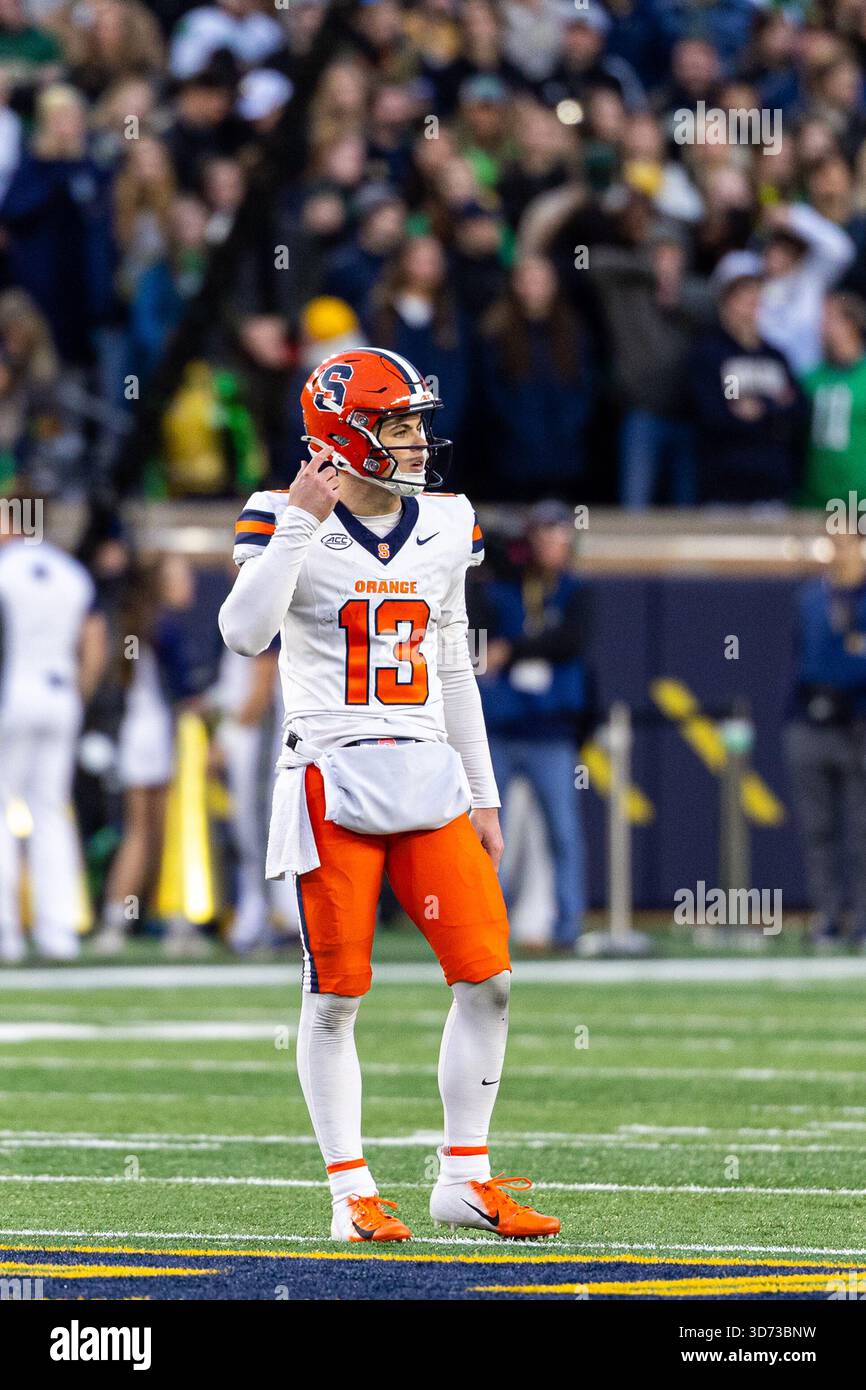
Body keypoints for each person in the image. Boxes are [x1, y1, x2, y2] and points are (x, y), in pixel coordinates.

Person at [219, 346, 559, 1242]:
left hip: (429, 778)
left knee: (487, 980)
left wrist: (481, 790)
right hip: (332, 779)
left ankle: (465, 1176)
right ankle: (349, 1192)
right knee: (335, 997)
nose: (417, 439)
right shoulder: (280, 514)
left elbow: (452, 664)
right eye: (398, 422)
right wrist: (298, 522)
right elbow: (243, 635)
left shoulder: (448, 521)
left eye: (415, 420)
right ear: (345, 432)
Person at [476, 499, 590, 949]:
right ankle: (482, 926)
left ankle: (568, 926)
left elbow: (569, 641)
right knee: (487, 834)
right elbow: (481, 642)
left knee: (563, 832)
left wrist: (516, 650)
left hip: (549, 729)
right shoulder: (502, 588)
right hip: (502, 727)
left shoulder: (576, 592)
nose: (551, 546)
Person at [0, 491, 106, 962]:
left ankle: (6, 933)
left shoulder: (5, 571)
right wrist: (77, 699)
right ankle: (58, 931)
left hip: (11, 695)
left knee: (3, 813)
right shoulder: (70, 572)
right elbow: (96, 642)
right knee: (51, 813)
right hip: (60, 695)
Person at [784, 532, 866, 947]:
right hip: (810, 721)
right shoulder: (811, 598)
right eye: (836, 541)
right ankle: (828, 918)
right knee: (819, 830)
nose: (843, 550)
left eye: (851, 541)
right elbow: (808, 660)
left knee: (861, 828)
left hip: (858, 723)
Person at [799, 292, 866, 509]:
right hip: (814, 498)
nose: (821, 328)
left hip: (860, 500)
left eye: (828, 319)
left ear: (851, 324)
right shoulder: (810, 380)